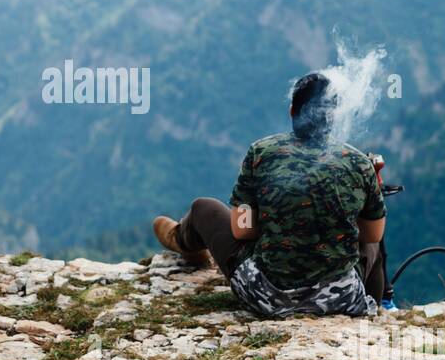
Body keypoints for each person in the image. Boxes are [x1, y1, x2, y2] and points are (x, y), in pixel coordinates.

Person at [152, 72, 385, 318]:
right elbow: (372, 235)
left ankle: (181, 240)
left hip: (265, 298)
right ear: (334, 118)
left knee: (204, 207)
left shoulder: (261, 152)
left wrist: (280, 222)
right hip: (340, 300)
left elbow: (242, 230)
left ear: (293, 111)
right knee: (375, 241)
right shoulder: (359, 162)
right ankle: (374, 307)